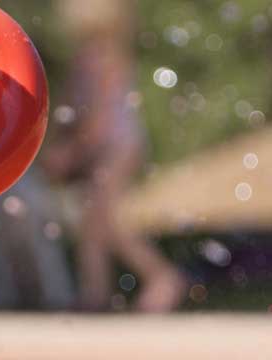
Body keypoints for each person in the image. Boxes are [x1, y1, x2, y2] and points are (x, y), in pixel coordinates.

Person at [46, 0, 184, 312]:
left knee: (103, 219)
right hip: (109, 148)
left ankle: (159, 278)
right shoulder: (89, 56)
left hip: (117, 149)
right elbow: (70, 113)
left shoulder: (105, 57)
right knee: (95, 221)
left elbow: (97, 122)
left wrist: (68, 153)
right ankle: (96, 293)